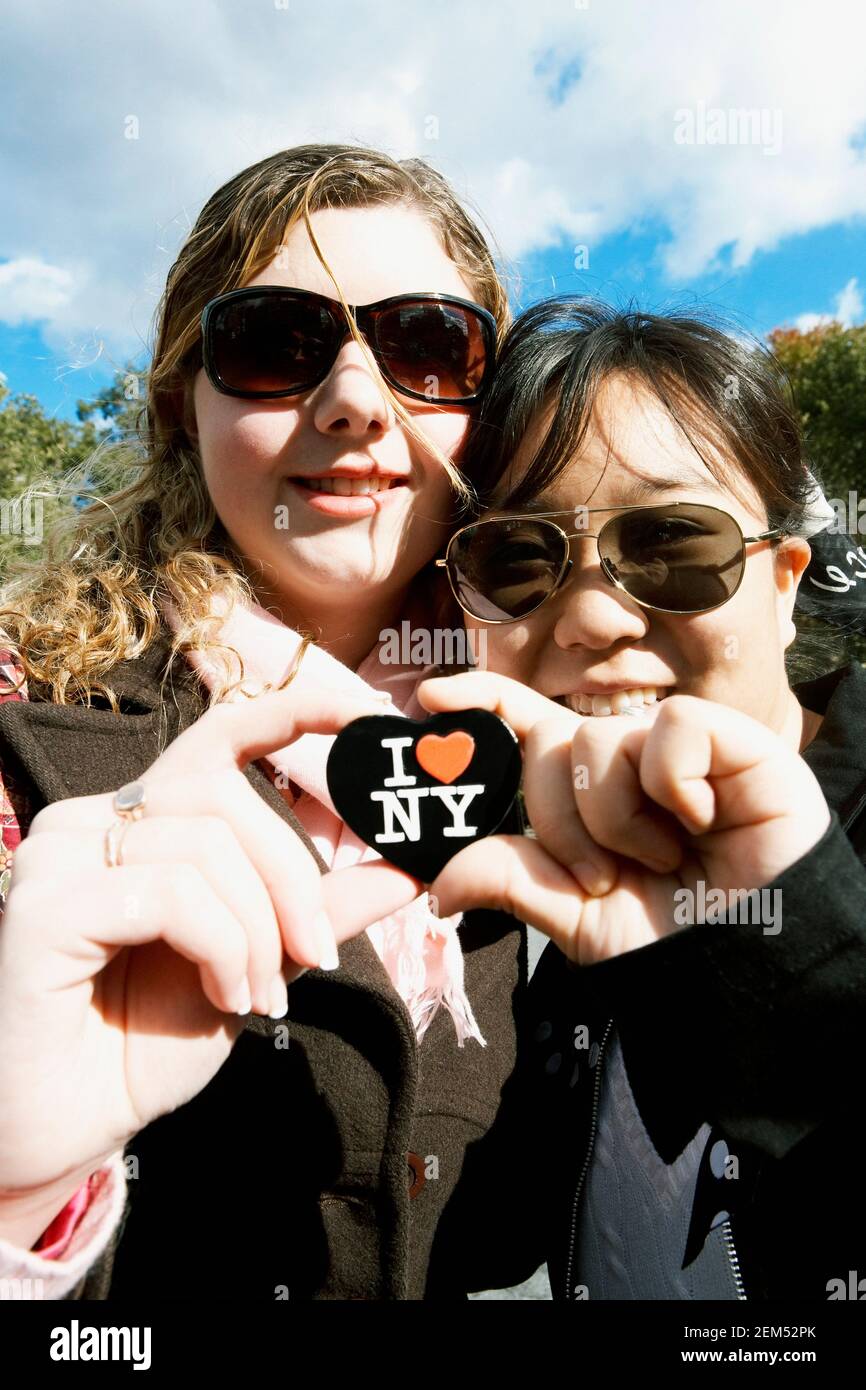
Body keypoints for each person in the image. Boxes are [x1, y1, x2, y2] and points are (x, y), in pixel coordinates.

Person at [0, 143, 542, 1301]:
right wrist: (18, 1193)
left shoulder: (565, 738)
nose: (354, 398)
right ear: (177, 406)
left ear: (486, 413)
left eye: (426, 346)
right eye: (273, 343)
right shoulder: (17, 726)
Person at [420, 298, 866, 1300]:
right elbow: (471, 1242)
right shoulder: (546, 919)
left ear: (785, 584)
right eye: (515, 557)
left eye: (670, 541)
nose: (583, 616)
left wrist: (791, 957)